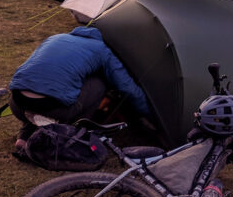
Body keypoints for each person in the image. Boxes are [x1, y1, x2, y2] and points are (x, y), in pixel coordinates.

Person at [8, 27, 150, 151]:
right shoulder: (101, 49)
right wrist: (148, 112)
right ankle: (76, 132)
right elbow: (126, 86)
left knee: (40, 84)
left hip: (17, 104)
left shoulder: (56, 38)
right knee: (99, 84)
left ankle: (24, 137)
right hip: (55, 109)